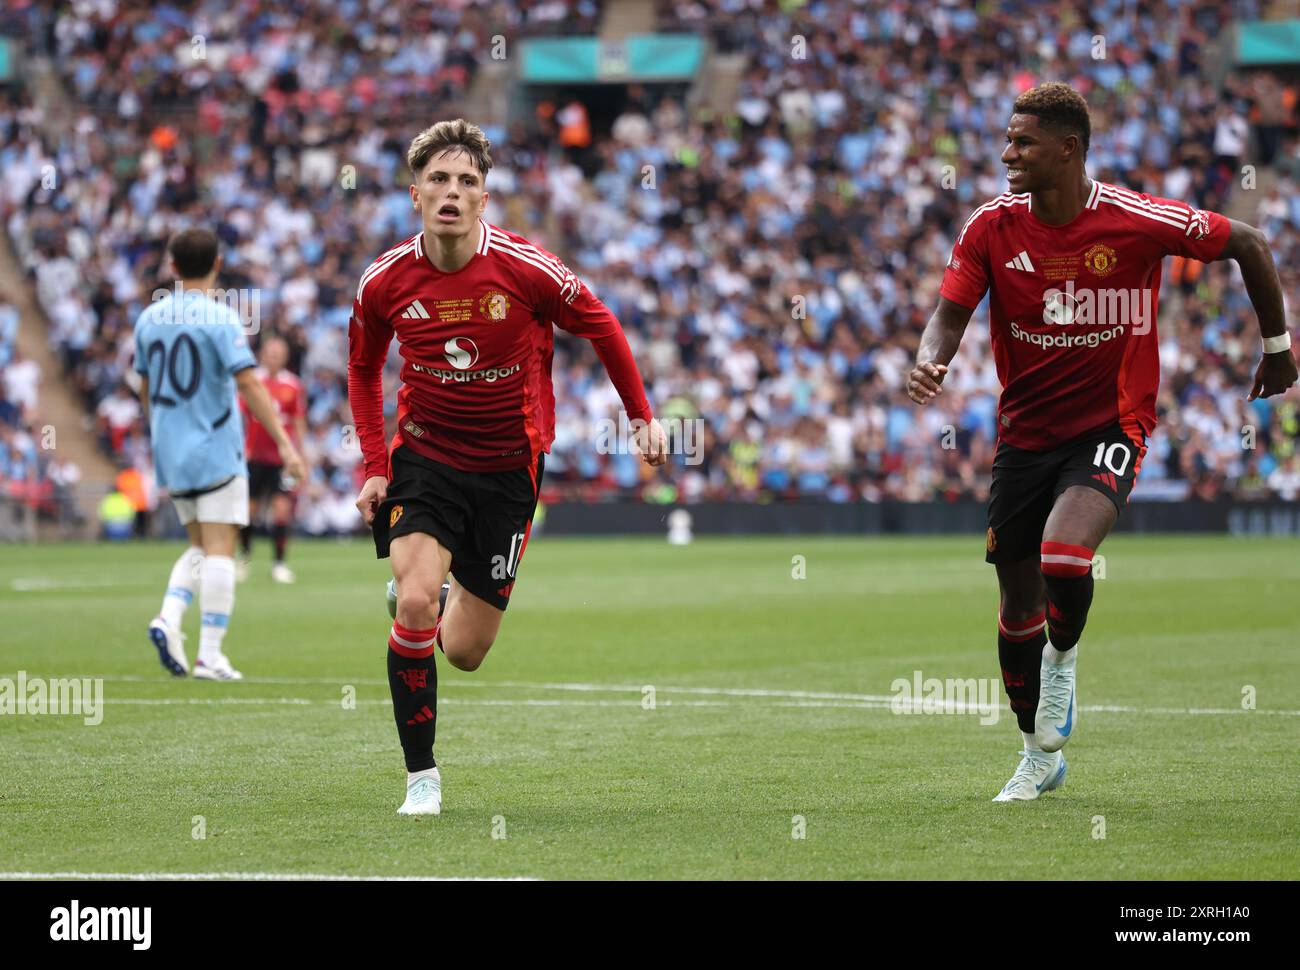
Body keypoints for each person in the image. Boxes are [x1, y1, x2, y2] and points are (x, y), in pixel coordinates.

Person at [906, 82, 1298, 801]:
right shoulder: (990, 227)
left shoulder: (1134, 219)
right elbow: (948, 313)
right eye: (1007, 138)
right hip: (1025, 436)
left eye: (1023, 142)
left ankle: (1063, 662)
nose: (1006, 153)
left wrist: (1277, 348)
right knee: (1016, 600)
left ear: (1068, 150)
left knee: (1065, 553)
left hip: (1110, 425)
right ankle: (1036, 753)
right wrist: (932, 357)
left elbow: (1248, 241)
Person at [348, 119, 667, 816]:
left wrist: (640, 417)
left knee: (463, 651)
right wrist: (376, 465)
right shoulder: (384, 281)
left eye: (467, 182)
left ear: (485, 199)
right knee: (413, 604)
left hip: (510, 468)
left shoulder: (528, 269)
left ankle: (435, 591)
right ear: (415, 196)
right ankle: (421, 778)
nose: (452, 193)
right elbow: (364, 366)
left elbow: (603, 324)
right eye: (439, 180)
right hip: (425, 457)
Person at [136, 228, 305, 681]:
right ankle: (210, 653)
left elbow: (145, 388)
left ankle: (169, 619)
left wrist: (161, 434)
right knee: (219, 550)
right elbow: (249, 383)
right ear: (217, 263)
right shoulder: (221, 319)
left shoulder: (148, 320)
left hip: (170, 449)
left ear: (171, 266)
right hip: (213, 446)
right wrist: (286, 444)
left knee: (198, 544)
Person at [237, 335, 308, 584]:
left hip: (282, 459)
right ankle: (244, 559)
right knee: (249, 511)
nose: (273, 357)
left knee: (281, 510)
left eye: (278, 354)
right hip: (254, 456)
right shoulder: (252, 382)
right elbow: (241, 417)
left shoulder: (293, 386)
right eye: (270, 353)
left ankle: (279, 564)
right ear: (262, 355)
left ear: (285, 357)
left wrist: (301, 454)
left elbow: (298, 422)